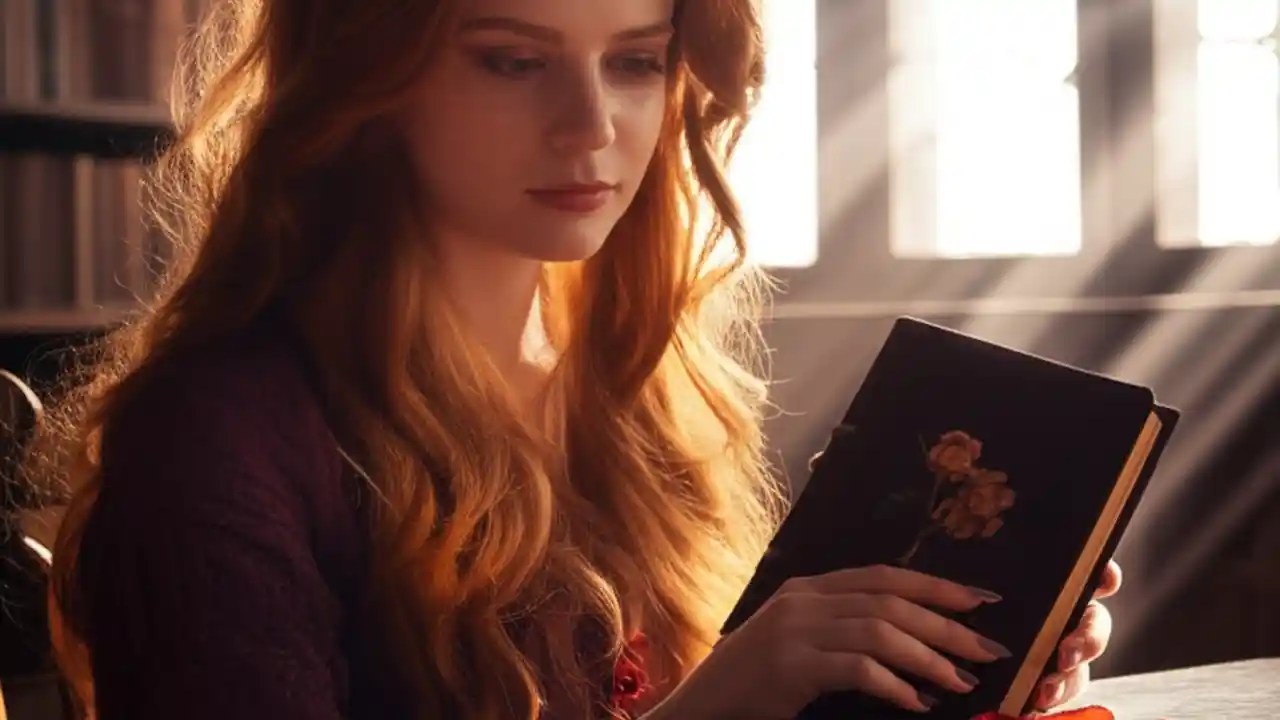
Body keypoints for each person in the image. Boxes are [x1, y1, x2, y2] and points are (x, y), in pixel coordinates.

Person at [29, 0, 1121, 718]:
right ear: (366, 74)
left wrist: (946, 666)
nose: (591, 124)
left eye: (636, 61)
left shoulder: (635, 385)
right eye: (512, 60)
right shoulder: (219, 442)